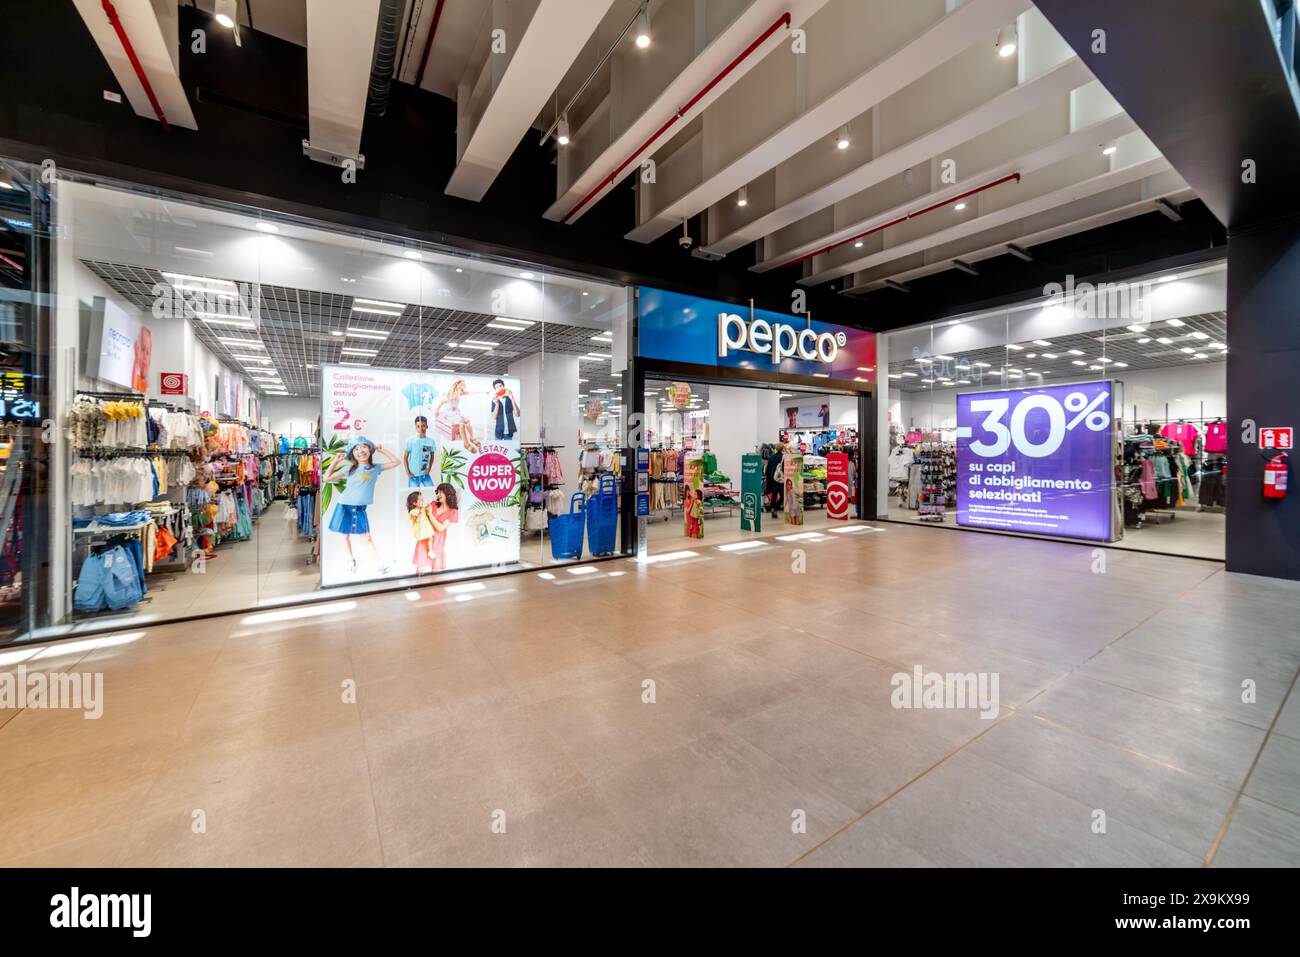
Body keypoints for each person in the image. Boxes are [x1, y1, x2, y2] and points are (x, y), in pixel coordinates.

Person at [324, 436, 399, 575]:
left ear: (370, 450)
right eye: (356, 449)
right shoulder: (350, 468)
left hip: (359, 508)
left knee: (366, 537)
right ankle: (351, 560)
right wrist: (335, 462)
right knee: (345, 535)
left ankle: (379, 565)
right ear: (353, 454)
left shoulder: (376, 468)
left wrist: (382, 450)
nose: (360, 451)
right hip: (344, 505)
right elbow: (326, 478)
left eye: (364, 447)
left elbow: (396, 462)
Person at [434, 379, 483, 453]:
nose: (463, 387)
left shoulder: (461, 392)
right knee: (461, 423)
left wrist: (481, 392)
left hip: (455, 411)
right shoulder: (450, 393)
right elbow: (442, 402)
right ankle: (466, 443)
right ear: (456, 385)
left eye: (464, 385)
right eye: (461, 385)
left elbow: (471, 392)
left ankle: (472, 438)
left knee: (467, 421)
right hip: (448, 412)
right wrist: (437, 410)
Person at [427, 482, 459, 572]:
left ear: (448, 494)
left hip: (438, 544)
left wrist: (430, 515)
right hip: (425, 540)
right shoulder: (433, 504)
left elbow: (441, 528)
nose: (438, 494)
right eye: (438, 492)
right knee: (420, 570)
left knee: (435, 573)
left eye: (441, 492)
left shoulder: (453, 512)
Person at [408, 490, 436, 573]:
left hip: (427, 528)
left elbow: (428, 511)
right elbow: (416, 520)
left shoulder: (422, 509)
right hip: (421, 530)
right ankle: (420, 569)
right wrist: (420, 513)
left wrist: (428, 508)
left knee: (430, 538)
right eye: (420, 500)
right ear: (414, 503)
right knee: (426, 540)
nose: (422, 502)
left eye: (422, 500)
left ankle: (430, 551)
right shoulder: (413, 511)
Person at [404, 415, 436, 487]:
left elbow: (432, 456)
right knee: (413, 495)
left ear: (427, 426)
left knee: (432, 492)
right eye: (418, 426)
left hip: (425, 474)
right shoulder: (410, 441)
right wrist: (408, 472)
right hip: (413, 476)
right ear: (415, 427)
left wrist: (429, 469)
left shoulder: (430, 441)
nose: (421, 428)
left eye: (423, 426)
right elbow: (405, 457)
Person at [765, 445, 785, 517]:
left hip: (772, 478)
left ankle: (773, 508)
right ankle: (775, 508)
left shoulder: (771, 457)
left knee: (774, 494)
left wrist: (768, 478)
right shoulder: (783, 457)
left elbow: (767, 469)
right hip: (780, 478)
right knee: (783, 495)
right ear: (782, 449)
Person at [131, 327, 152, 394]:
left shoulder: (145, 382)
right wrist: (136, 362)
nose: (145, 357)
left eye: (148, 352)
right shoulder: (136, 377)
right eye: (142, 349)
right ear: (136, 348)